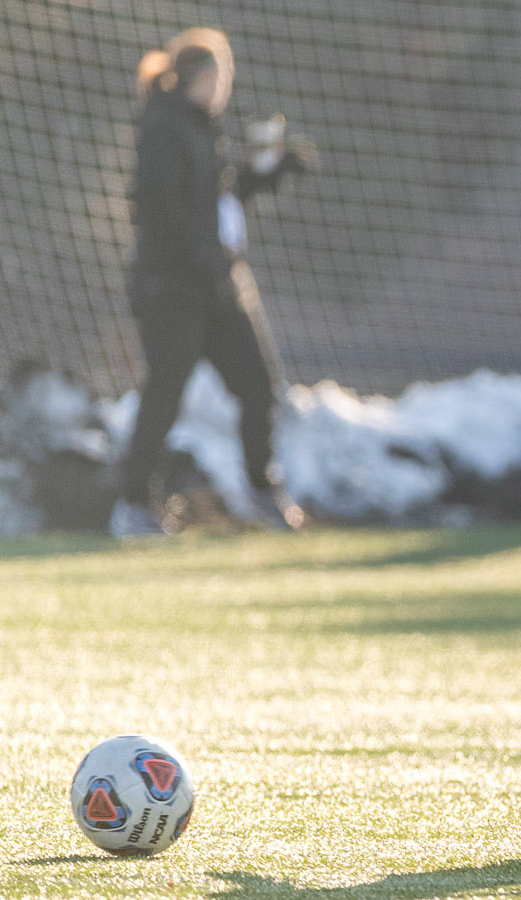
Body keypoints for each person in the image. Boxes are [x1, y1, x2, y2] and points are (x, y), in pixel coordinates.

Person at [109, 29, 312, 538]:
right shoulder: (164, 125)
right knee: (165, 394)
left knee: (257, 386)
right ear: (200, 77)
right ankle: (134, 503)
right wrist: (202, 256)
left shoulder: (205, 127)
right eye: (218, 75)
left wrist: (264, 176)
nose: (223, 86)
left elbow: (215, 203)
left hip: (217, 287)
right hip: (173, 290)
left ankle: (262, 490)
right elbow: (161, 209)